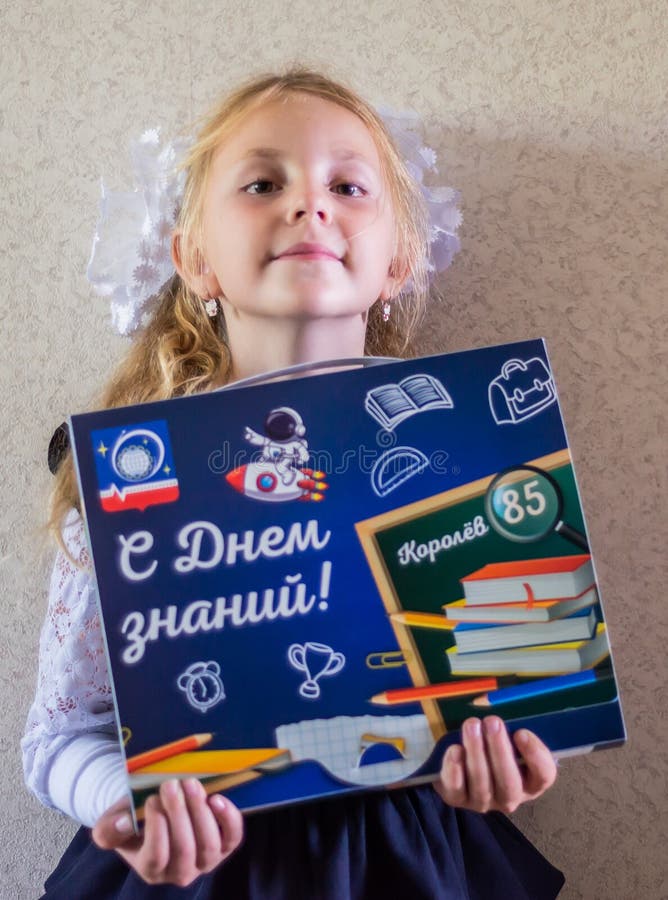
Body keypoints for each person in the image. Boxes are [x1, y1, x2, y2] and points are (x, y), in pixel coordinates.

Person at [23, 68, 565, 899]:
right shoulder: (129, 479)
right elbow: (59, 738)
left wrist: (515, 752)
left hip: (408, 858)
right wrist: (133, 809)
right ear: (194, 258)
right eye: (263, 183)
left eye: (347, 186)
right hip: (197, 865)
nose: (310, 205)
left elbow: (524, 676)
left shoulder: (465, 456)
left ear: (399, 260)